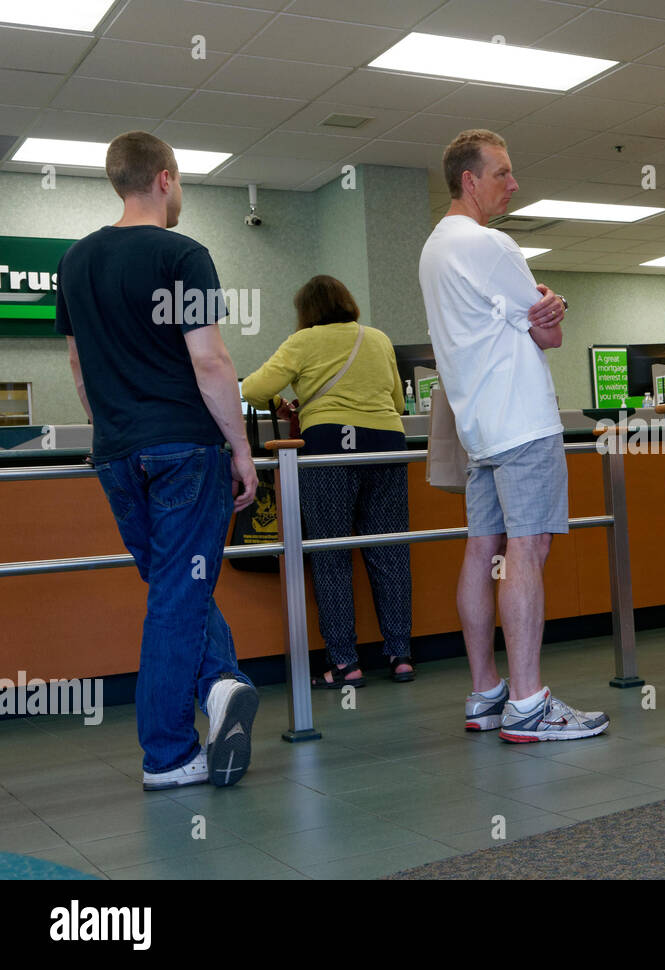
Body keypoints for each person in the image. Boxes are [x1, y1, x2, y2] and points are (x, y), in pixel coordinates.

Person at [56, 131, 259, 790]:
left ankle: (223, 683)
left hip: (115, 455)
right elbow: (210, 360)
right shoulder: (183, 253)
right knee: (176, 595)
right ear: (165, 179)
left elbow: (80, 368)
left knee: (176, 587)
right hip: (185, 450)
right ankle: (168, 755)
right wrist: (240, 447)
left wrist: (109, 430)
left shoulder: (76, 262)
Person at [418, 128, 608, 742]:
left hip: (479, 429)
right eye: (502, 173)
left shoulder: (435, 249)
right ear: (469, 180)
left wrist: (541, 311)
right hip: (522, 423)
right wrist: (551, 308)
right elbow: (549, 334)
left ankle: (486, 693)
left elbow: (531, 321)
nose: (514, 183)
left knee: (483, 552)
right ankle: (528, 704)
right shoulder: (492, 245)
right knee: (526, 553)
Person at [242, 275, 417, 686]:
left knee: (331, 553)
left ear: (307, 311)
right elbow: (395, 401)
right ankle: (401, 655)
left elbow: (253, 389)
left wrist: (287, 402)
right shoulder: (377, 338)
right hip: (387, 445)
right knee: (390, 550)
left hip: (330, 449)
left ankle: (345, 664)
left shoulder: (303, 341)